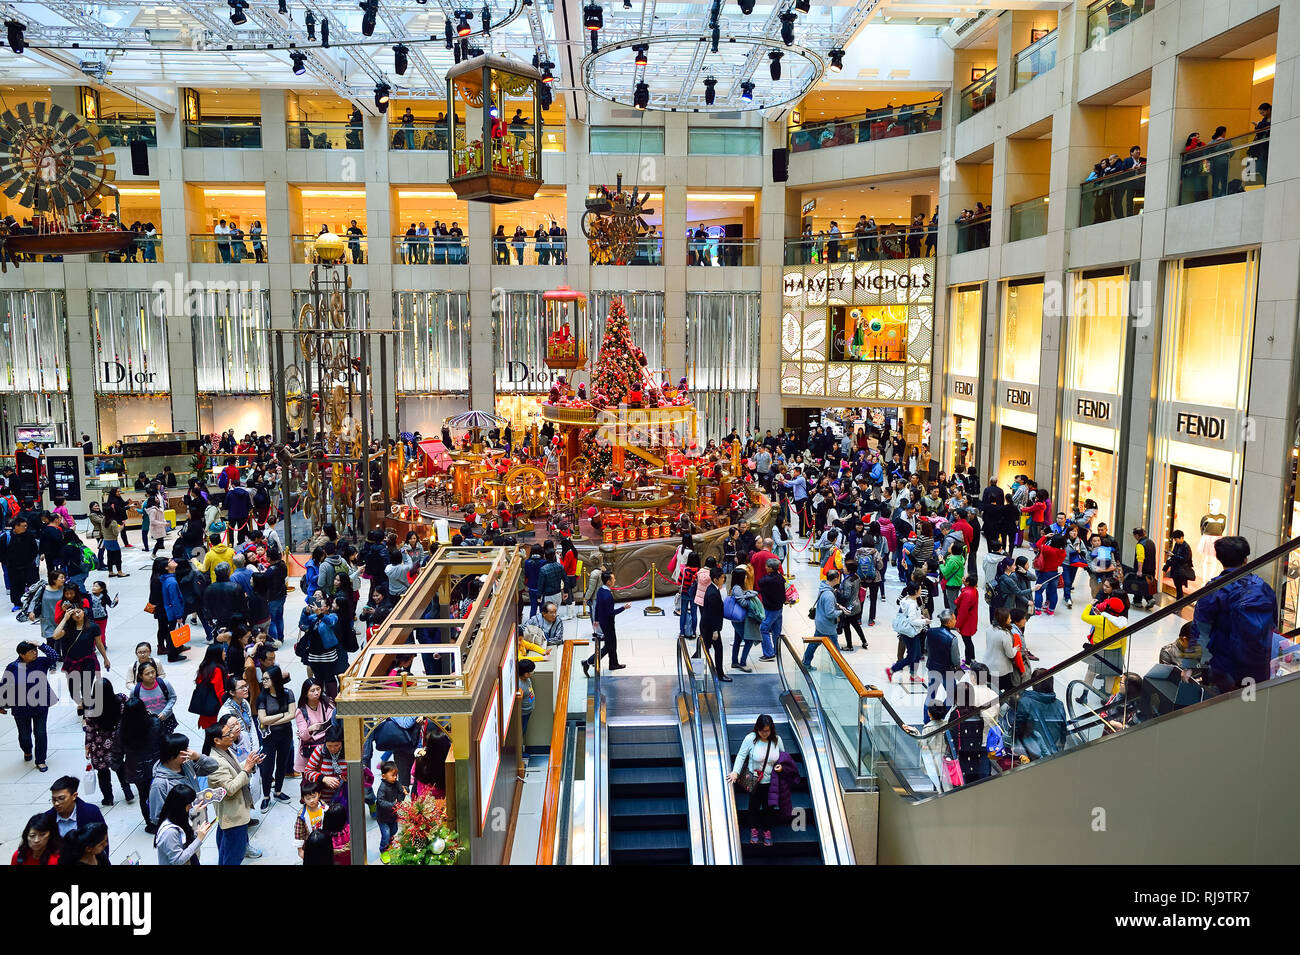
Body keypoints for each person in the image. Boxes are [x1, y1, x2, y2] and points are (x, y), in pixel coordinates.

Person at [1193, 536, 1277, 693]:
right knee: (1253, 704)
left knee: (1226, 708)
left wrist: (1196, 664)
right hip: (1260, 665)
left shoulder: (1214, 590)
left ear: (1219, 559)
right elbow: (1274, 625)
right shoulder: (1263, 587)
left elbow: (1200, 630)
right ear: (1245, 559)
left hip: (1225, 668)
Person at [206, 714, 264, 865]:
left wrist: (251, 764)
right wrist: (246, 770)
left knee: (226, 851)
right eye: (228, 734)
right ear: (216, 740)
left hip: (233, 814)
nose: (232, 735)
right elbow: (230, 788)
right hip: (232, 816)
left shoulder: (224, 750)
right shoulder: (215, 763)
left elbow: (236, 769)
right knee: (233, 856)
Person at [726, 714, 784, 847]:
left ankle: (767, 831)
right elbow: (741, 755)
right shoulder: (750, 739)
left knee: (769, 808)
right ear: (757, 729)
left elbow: (783, 757)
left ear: (772, 730)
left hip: (771, 781)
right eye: (762, 730)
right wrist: (736, 771)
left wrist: (781, 767)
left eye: (767, 731)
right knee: (754, 807)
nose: (765, 733)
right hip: (754, 780)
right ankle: (754, 831)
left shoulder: (777, 740)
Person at [0, 639, 58, 771]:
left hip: (40, 704)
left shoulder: (41, 662)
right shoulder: (12, 667)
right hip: (20, 706)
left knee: (40, 732)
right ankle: (27, 750)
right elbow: (4, 686)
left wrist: (40, 645)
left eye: (35, 650)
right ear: (22, 654)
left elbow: (54, 656)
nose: (35, 653)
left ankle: (40, 760)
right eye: (31, 651)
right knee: (24, 734)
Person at [149, 732, 219, 826]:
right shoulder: (160, 784)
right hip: (182, 830)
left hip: (198, 820)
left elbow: (213, 766)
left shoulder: (187, 764)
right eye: (185, 750)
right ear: (172, 754)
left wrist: (198, 757)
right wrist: (190, 813)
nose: (188, 752)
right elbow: (157, 817)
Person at [82, 679, 134, 806]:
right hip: (117, 741)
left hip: (99, 744)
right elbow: (130, 712)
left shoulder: (91, 706)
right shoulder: (121, 699)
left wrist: (87, 746)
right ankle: (128, 792)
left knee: (103, 772)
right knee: (119, 766)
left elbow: (90, 729)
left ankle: (108, 798)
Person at [43, 776, 108, 861]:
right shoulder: (48, 818)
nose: (56, 803)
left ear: (74, 796)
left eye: (61, 798)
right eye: (53, 799)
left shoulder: (91, 812)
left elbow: (102, 841)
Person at [256, 664, 296, 804]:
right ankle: (266, 796)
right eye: (263, 679)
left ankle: (278, 791)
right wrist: (282, 714)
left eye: (267, 679)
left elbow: (292, 715)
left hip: (286, 735)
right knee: (267, 767)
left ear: (275, 679)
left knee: (282, 764)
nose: (264, 681)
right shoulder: (262, 697)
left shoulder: (288, 693)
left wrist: (271, 720)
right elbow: (262, 719)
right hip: (269, 738)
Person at [583, 571, 628, 677]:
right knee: (609, 645)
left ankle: (613, 663)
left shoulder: (600, 590)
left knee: (612, 644)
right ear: (608, 582)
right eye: (613, 579)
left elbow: (597, 606)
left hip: (602, 622)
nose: (615, 580)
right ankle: (589, 661)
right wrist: (624, 608)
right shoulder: (607, 595)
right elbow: (610, 613)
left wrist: (596, 619)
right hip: (608, 624)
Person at [154, 783, 211, 865]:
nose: (191, 806)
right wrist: (199, 839)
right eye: (189, 805)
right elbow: (177, 860)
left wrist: (193, 813)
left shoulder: (175, 817)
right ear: (180, 807)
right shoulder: (169, 833)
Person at [884, 582, 928, 684]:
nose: (921, 591)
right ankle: (892, 670)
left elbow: (908, 615)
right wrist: (924, 621)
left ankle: (913, 675)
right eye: (920, 590)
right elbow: (912, 621)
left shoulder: (907, 599)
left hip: (908, 630)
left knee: (916, 654)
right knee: (912, 656)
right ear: (916, 591)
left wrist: (919, 617)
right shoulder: (912, 604)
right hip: (910, 632)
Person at [805, 568, 845, 671]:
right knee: (835, 649)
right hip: (827, 626)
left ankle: (805, 663)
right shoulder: (829, 594)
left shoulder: (823, 587)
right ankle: (840, 670)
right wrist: (841, 612)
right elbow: (830, 613)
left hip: (820, 622)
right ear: (836, 579)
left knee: (814, 644)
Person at [983, 606, 1026, 695]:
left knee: (993, 691)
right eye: (1009, 618)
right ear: (1004, 620)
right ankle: (1007, 705)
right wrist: (1016, 649)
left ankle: (995, 705)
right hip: (1001, 669)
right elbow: (1010, 654)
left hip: (988, 664)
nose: (1010, 620)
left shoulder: (989, 629)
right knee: (1009, 690)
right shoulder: (1004, 634)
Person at [924, 609, 962, 705]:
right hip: (947, 671)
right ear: (949, 622)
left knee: (931, 695)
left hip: (932, 667)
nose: (956, 621)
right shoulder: (952, 638)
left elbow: (926, 648)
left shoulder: (930, 632)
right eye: (954, 619)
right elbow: (956, 660)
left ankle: (927, 718)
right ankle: (942, 715)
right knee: (952, 696)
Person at [375, 760, 408, 864]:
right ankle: (383, 850)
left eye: (396, 775)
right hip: (383, 818)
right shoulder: (382, 788)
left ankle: (389, 842)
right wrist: (393, 805)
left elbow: (401, 788)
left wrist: (405, 789)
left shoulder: (396, 783)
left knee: (394, 830)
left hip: (393, 816)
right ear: (384, 776)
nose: (395, 777)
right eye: (392, 775)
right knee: (386, 834)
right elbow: (380, 802)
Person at [1163, 529, 1195, 600]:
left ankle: (1179, 604)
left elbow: (1185, 559)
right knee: (1177, 586)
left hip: (1181, 570)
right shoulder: (1177, 544)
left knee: (1179, 587)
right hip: (1176, 569)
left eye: (1176, 539)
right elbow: (1174, 554)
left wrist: (1173, 555)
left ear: (1181, 538)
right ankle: (1179, 603)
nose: (1175, 541)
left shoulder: (1186, 547)